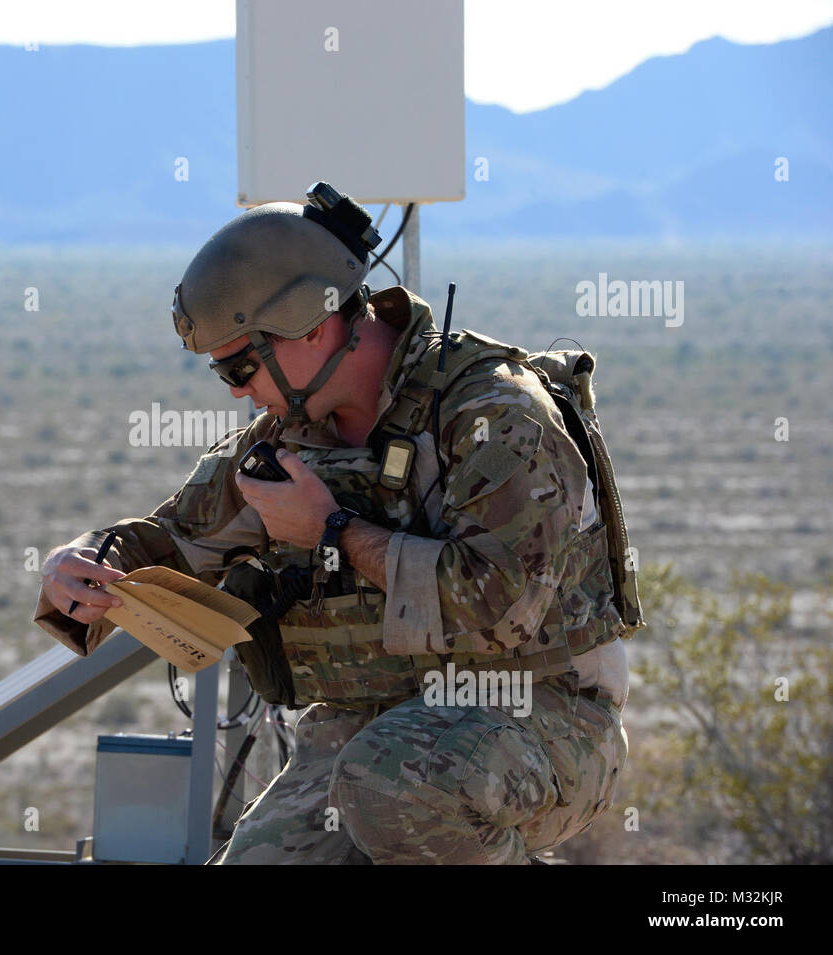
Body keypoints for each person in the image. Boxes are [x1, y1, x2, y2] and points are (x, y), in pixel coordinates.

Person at [33, 186, 635, 864]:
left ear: (310, 327)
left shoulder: (495, 415)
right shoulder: (291, 437)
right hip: (362, 733)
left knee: (390, 782)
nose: (234, 389)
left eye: (240, 365)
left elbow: (500, 608)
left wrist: (335, 529)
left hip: (540, 714)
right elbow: (172, 539)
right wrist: (80, 562)